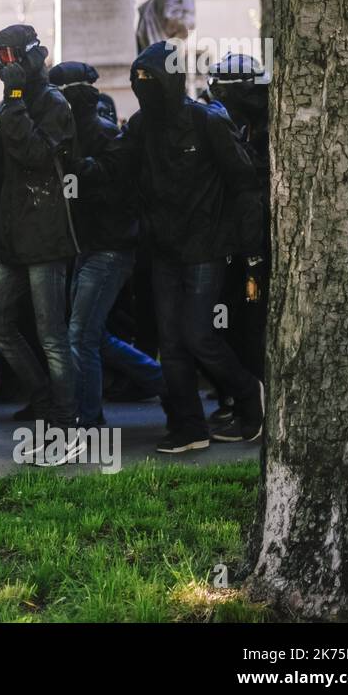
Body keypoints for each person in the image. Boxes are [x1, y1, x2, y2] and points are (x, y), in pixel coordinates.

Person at [83, 41, 264, 450]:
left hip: (206, 247)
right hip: (164, 248)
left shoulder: (206, 121)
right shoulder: (143, 126)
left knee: (199, 335)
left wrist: (248, 245)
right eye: (138, 78)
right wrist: (80, 169)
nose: (143, 85)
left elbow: (243, 182)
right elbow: (115, 165)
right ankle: (189, 427)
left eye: (150, 77)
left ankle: (250, 395)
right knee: (171, 342)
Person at [0, 24, 82, 461]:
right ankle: (44, 399)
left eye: (9, 58)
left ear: (30, 59)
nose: (2, 67)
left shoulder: (52, 103)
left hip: (46, 236)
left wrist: (12, 102)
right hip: (14, 238)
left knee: (52, 336)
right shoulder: (18, 104)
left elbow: (34, 155)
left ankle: (68, 423)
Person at [49, 61, 165, 429]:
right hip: (92, 246)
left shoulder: (100, 133)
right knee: (92, 334)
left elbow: (117, 190)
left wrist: (82, 172)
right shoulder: (77, 131)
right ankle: (163, 382)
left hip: (108, 247)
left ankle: (88, 418)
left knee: (80, 335)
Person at [205, 53, 271, 422]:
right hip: (242, 240)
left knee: (249, 321)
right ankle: (241, 397)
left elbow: (253, 189)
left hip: (255, 244)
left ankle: (255, 401)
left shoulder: (262, 125)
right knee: (231, 321)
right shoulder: (238, 123)